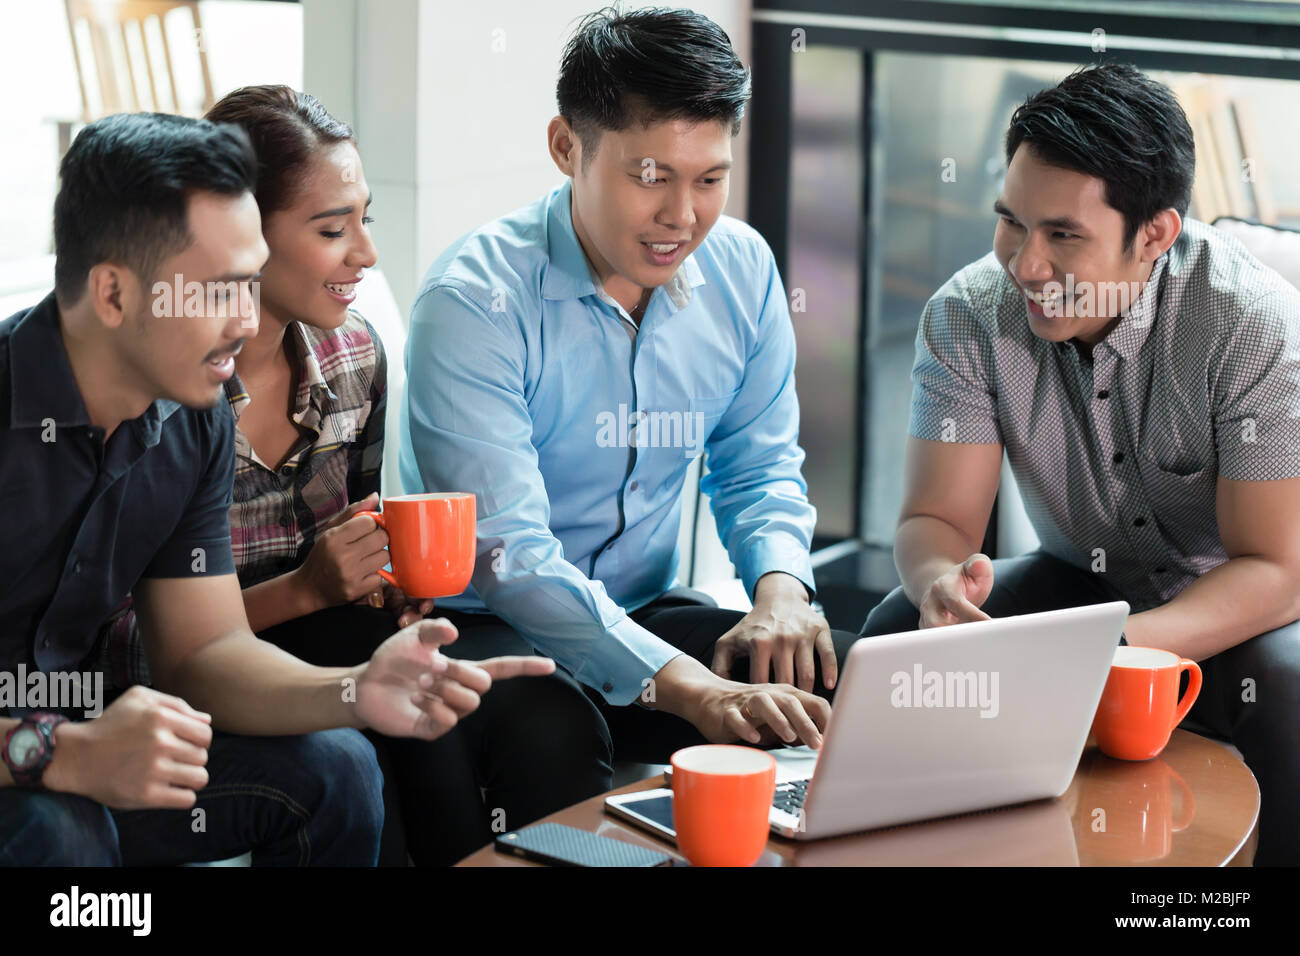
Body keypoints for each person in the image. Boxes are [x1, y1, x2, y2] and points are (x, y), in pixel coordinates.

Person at [0, 111, 552, 867]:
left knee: (336, 769)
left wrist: (356, 688)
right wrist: (58, 752)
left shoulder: (196, 421)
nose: (246, 316)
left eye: (251, 278)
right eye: (221, 290)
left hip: (92, 743)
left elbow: (203, 652)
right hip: (39, 765)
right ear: (114, 294)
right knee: (60, 831)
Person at [860, 63, 1300, 866]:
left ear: (1155, 235)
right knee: (898, 633)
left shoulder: (1250, 324)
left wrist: (1112, 649)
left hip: (1241, 608)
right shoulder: (967, 317)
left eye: (1063, 235)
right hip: (1085, 588)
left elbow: (1273, 570)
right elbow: (936, 521)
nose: (1025, 265)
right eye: (1011, 221)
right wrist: (940, 584)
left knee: (1290, 685)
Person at [401, 6, 860, 764]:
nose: (682, 216)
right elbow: (510, 555)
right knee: (553, 735)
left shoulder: (742, 269)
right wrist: (694, 690)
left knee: (841, 681)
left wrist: (782, 590)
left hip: (645, 609)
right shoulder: (473, 302)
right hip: (487, 623)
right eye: (651, 178)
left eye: (709, 180)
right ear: (566, 147)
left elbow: (760, 467)